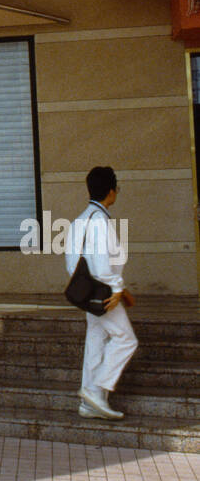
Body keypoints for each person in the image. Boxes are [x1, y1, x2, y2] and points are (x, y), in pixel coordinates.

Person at [64, 166, 138, 420]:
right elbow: (100, 263)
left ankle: (89, 403)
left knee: (96, 339)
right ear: (111, 191)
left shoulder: (80, 220)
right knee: (126, 340)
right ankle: (96, 391)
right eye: (116, 187)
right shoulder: (99, 221)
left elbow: (72, 263)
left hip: (89, 293)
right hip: (105, 292)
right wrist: (117, 288)